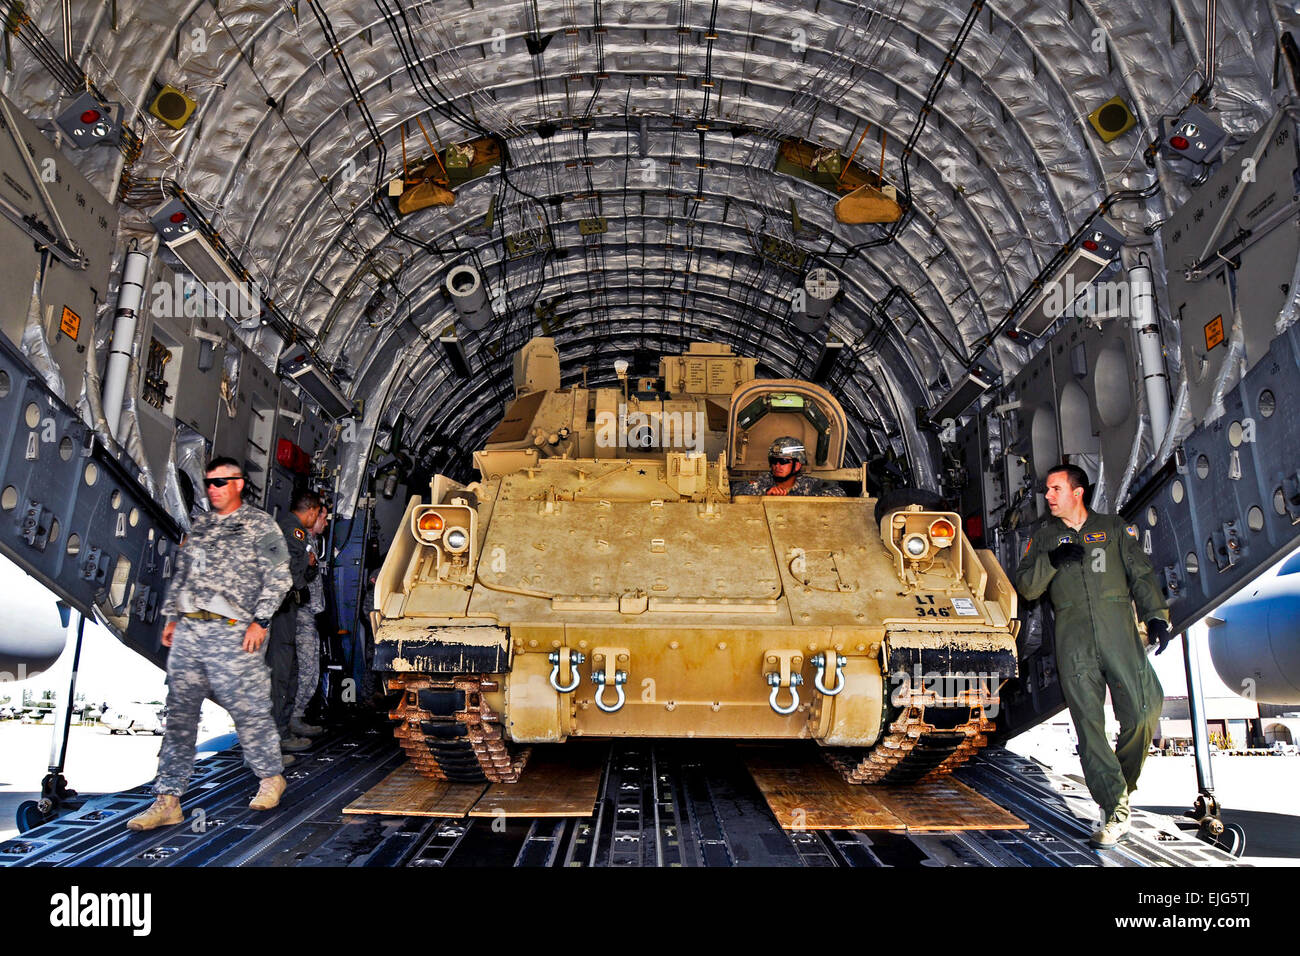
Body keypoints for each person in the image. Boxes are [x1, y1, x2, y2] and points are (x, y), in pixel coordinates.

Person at [128, 456, 293, 831]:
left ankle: (271, 778)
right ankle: (168, 800)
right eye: (209, 483)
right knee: (179, 716)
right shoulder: (200, 527)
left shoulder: (259, 526)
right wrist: (172, 618)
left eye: (221, 482)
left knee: (249, 711)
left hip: (234, 631)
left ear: (237, 484)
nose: (213, 489)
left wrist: (261, 620)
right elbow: (183, 574)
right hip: (191, 631)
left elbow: (280, 577)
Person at [1014, 463, 1171, 848]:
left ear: (1077, 492)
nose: (1048, 496)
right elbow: (1026, 588)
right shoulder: (1044, 537)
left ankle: (1120, 783)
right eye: (1047, 490)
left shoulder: (1114, 528)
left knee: (1144, 708)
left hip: (1118, 630)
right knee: (1089, 725)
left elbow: (1142, 574)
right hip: (1073, 639)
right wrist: (1053, 561)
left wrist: (1156, 617)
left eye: (1055, 489)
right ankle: (1114, 807)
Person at [269, 490, 324, 750]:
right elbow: (295, 576)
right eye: (317, 514)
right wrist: (309, 562)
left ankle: (284, 732)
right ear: (311, 511)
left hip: (286, 610)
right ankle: (276, 738)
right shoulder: (294, 531)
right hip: (281, 610)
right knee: (281, 674)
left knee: (289, 672)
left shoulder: (288, 529)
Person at [289, 502, 330, 737]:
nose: (324, 523)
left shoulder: (311, 542)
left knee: (311, 668)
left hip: (310, 613)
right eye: (322, 518)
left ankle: (298, 715)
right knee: (304, 668)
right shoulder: (299, 539)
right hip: (300, 613)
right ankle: (294, 718)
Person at [733, 436, 847, 497]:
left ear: (797, 465)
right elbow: (736, 490)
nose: (777, 465)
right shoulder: (764, 480)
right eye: (774, 461)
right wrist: (766, 491)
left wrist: (807, 499)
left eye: (783, 461)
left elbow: (839, 493)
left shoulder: (809, 484)